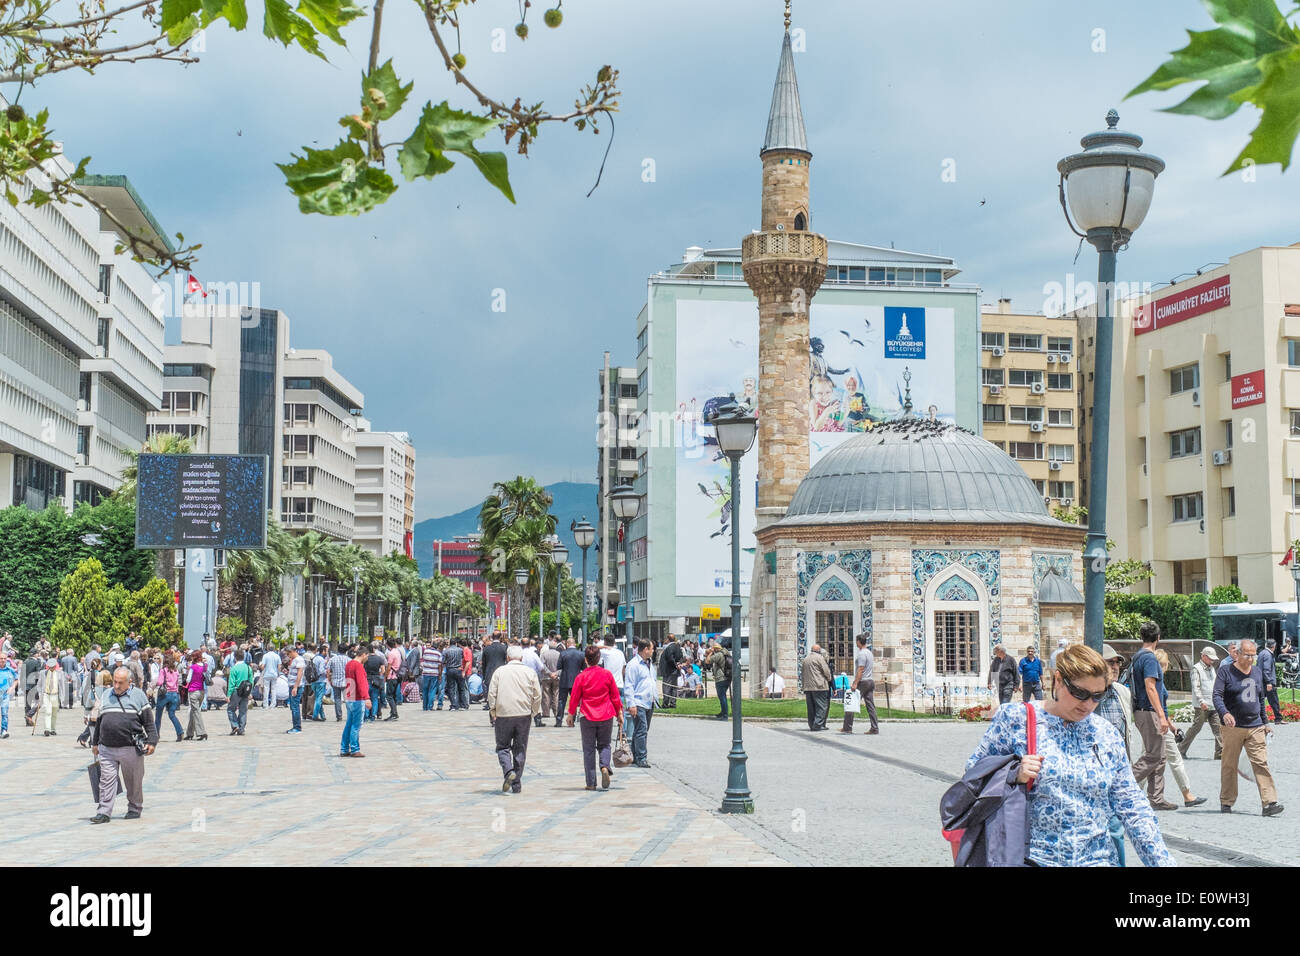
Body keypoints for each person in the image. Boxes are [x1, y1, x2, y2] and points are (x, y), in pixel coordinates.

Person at [965, 643, 1175, 866]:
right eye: (1079, 693)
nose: (1087, 704)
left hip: (1097, 859)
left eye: (1097, 696)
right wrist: (1013, 773)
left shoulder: (1105, 735)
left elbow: (1132, 805)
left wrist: (1161, 862)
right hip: (1032, 857)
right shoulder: (1016, 719)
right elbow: (972, 777)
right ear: (1058, 680)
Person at [1214, 639, 1284, 816]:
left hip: (1255, 726)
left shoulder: (1257, 672)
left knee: (1261, 763)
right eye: (1248, 655)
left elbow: (1260, 699)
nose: (1251, 659)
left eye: (1253, 655)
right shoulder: (1225, 671)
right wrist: (1225, 713)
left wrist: (1265, 722)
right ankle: (1227, 801)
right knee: (1229, 764)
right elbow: (1217, 696)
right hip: (1232, 727)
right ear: (1237, 653)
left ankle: (1269, 803)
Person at [89, 666, 158, 823]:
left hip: (131, 747)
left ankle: (134, 807)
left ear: (130, 682)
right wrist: (95, 742)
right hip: (107, 746)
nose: (117, 685)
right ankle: (104, 812)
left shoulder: (138, 696)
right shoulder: (106, 694)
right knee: (106, 780)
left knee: (133, 781)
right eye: (115, 681)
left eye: (120, 683)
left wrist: (152, 741)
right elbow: (100, 720)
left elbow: (149, 722)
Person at [1128, 621, 1177, 810]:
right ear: (1158, 638)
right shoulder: (1149, 658)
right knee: (1154, 755)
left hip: (1142, 710)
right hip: (1148, 710)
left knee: (1160, 755)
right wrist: (1162, 716)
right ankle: (1121, 784)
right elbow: (1151, 687)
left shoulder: (1137, 656)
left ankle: (1156, 798)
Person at [1095, 645, 1136, 865]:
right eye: (1109, 662)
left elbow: (1126, 730)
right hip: (1092, 773)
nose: (1115, 667)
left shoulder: (1122, 692)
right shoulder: (1088, 695)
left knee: (1115, 829)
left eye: (1117, 662)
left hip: (1116, 774)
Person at [1152, 649, 1206, 808]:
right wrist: (1168, 725)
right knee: (1173, 759)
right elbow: (1160, 707)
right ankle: (1187, 795)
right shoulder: (1156, 681)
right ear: (1165, 663)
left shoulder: (1154, 680)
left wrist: (1172, 726)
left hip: (1158, 724)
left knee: (1150, 760)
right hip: (1160, 726)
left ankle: (1136, 794)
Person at [567, 645, 623, 790]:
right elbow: (615, 696)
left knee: (589, 749)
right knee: (605, 745)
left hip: (588, 716)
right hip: (606, 714)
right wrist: (619, 713)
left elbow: (574, 697)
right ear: (599, 659)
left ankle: (591, 783)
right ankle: (604, 766)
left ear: (586, 660)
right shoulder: (607, 674)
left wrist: (570, 714)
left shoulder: (581, 676)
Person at [487, 645, 542, 794]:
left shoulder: (499, 672)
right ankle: (516, 783)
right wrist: (533, 712)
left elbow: (492, 693)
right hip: (523, 714)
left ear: (507, 658)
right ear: (522, 658)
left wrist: (493, 710)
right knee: (520, 749)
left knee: (503, 747)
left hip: (503, 714)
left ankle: (508, 771)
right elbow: (537, 695)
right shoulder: (530, 672)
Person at [1180, 645, 1223, 760]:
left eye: (1213, 659)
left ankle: (1219, 754)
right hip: (1201, 706)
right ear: (1203, 656)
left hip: (1213, 704)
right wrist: (1201, 701)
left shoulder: (1212, 668)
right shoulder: (1196, 668)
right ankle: (1181, 750)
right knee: (1196, 728)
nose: (1212, 661)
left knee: (1219, 729)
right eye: (1210, 658)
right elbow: (1196, 687)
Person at [624, 639, 656, 768]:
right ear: (645, 649)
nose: (653, 651)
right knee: (641, 730)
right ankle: (641, 757)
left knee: (641, 730)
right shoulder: (634, 664)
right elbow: (629, 685)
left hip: (649, 701)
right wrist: (631, 704)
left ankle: (634, 755)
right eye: (652, 649)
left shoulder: (649, 663)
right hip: (638, 702)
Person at [840, 634, 879, 734]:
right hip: (870, 681)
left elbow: (860, 669)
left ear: (858, 641)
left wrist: (855, 683)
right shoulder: (869, 653)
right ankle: (874, 727)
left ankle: (847, 728)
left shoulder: (862, 654)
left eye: (856, 641)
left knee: (851, 703)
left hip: (863, 682)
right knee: (870, 706)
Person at [341, 644, 370, 758]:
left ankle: (344, 748)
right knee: (356, 725)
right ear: (363, 655)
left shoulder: (349, 664)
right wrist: (366, 697)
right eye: (366, 656)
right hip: (357, 698)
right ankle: (354, 749)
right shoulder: (358, 666)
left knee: (349, 724)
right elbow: (361, 683)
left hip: (349, 696)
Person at [153, 652, 184, 742]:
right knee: (172, 715)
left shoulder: (163, 670)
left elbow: (159, 682)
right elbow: (177, 682)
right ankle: (180, 731)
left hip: (164, 694)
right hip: (174, 693)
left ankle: (156, 734)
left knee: (158, 715)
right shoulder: (175, 671)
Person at [801, 643, 832, 731]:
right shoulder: (820, 658)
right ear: (818, 651)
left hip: (808, 687)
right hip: (819, 686)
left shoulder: (805, 659)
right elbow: (826, 671)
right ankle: (817, 724)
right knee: (822, 706)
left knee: (811, 708)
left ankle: (811, 724)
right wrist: (829, 679)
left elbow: (802, 673)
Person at [226, 649, 254, 736]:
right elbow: (251, 681)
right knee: (243, 711)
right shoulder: (248, 668)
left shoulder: (234, 668)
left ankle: (235, 725)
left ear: (235, 658)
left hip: (236, 691)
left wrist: (228, 695)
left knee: (230, 709)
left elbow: (231, 683)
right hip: (245, 691)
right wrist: (250, 692)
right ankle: (241, 729)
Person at [557, 638, 584, 724]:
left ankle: (559, 720)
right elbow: (584, 668)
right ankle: (572, 719)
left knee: (562, 701)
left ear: (567, 644)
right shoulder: (581, 654)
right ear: (575, 644)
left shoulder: (563, 653)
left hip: (564, 680)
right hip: (576, 680)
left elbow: (559, 666)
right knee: (575, 700)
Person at [183, 650, 208, 741]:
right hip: (201, 691)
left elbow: (188, 679)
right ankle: (189, 733)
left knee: (196, 712)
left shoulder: (193, 667)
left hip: (193, 691)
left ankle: (202, 732)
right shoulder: (205, 666)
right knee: (194, 712)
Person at [480, 633, 507, 714]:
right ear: (500, 637)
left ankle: (490, 705)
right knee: (500, 690)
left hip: (489, 671)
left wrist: (484, 675)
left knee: (490, 690)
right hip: (501, 672)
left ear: (491, 637)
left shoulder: (487, 649)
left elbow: (483, 664)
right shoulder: (504, 648)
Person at [987, 644, 1018, 710]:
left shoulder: (1011, 659)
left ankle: (1005, 719)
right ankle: (1005, 718)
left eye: (996, 652)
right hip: (999, 684)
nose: (995, 653)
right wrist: (989, 682)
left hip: (1008, 684)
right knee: (1002, 704)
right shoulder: (996, 660)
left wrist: (1016, 685)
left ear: (1001, 651)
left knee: (1005, 703)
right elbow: (992, 670)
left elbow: (1016, 673)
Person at [1259, 638, 1282, 725]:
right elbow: (1266, 669)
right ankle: (1278, 719)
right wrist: (1269, 682)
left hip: (1261, 681)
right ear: (1274, 646)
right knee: (1274, 700)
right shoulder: (1268, 654)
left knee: (1260, 701)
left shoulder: (1262, 653)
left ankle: (1260, 719)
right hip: (1267, 682)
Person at [539, 636, 561, 724]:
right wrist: (556, 673)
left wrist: (549, 673)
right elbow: (562, 666)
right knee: (556, 694)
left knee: (546, 695)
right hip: (556, 677)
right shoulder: (559, 654)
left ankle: (546, 712)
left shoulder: (544, 654)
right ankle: (556, 712)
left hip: (546, 677)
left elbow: (542, 665)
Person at [37, 658, 61, 736]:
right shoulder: (42, 673)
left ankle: (52, 729)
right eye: (49, 666)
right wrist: (39, 693)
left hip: (55, 695)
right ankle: (47, 729)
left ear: (55, 666)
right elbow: (39, 684)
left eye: (53, 666)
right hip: (46, 694)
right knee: (48, 712)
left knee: (54, 713)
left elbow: (62, 686)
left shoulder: (59, 673)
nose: (51, 668)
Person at [420, 637, 445, 711]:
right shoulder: (438, 654)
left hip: (426, 673)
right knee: (432, 690)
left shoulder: (426, 651)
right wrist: (440, 675)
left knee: (425, 690)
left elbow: (424, 659)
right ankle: (430, 706)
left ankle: (424, 706)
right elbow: (440, 665)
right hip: (434, 674)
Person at [708, 642, 732, 720]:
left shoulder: (719, 655)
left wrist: (710, 653)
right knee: (722, 696)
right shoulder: (726, 653)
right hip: (727, 677)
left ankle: (725, 715)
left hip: (721, 678)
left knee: (722, 697)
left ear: (715, 649)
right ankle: (723, 712)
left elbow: (707, 661)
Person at [364, 642, 387, 720]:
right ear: (374, 650)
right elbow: (383, 670)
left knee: (367, 698)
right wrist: (378, 675)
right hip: (376, 680)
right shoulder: (379, 658)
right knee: (375, 698)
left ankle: (366, 716)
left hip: (367, 679)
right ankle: (373, 716)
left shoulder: (366, 659)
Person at [326, 644, 350, 721]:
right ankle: (350, 715)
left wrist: (329, 679)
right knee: (348, 700)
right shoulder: (349, 660)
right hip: (346, 682)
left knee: (337, 699)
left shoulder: (333, 659)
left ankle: (339, 716)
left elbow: (328, 670)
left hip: (335, 681)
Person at [285, 647, 306, 733]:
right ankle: (295, 726)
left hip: (296, 686)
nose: (288, 656)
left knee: (295, 707)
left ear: (292, 652)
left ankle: (297, 727)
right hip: (292, 685)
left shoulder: (299, 660)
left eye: (288, 653)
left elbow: (300, 673)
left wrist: (295, 687)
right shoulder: (294, 660)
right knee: (293, 706)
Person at [443, 640, 467, 711]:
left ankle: (453, 705)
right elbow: (462, 658)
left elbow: (443, 661)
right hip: (458, 669)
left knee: (451, 688)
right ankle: (462, 705)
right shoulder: (460, 650)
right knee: (461, 688)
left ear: (449, 643)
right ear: (456, 643)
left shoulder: (446, 651)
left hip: (450, 670)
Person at [384, 638, 404, 721]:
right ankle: (393, 712)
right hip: (397, 675)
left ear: (388, 645)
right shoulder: (397, 651)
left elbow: (389, 667)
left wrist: (385, 676)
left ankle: (394, 713)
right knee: (393, 695)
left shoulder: (391, 653)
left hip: (392, 676)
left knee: (389, 696)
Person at [0, 653, 17, 739]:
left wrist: (12, 687)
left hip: (5, 695)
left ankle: (4, 730)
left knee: (4, 713)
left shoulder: (10, 669)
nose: (3, 660)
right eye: (1, 658)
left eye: (4, 658)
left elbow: (16, 679)